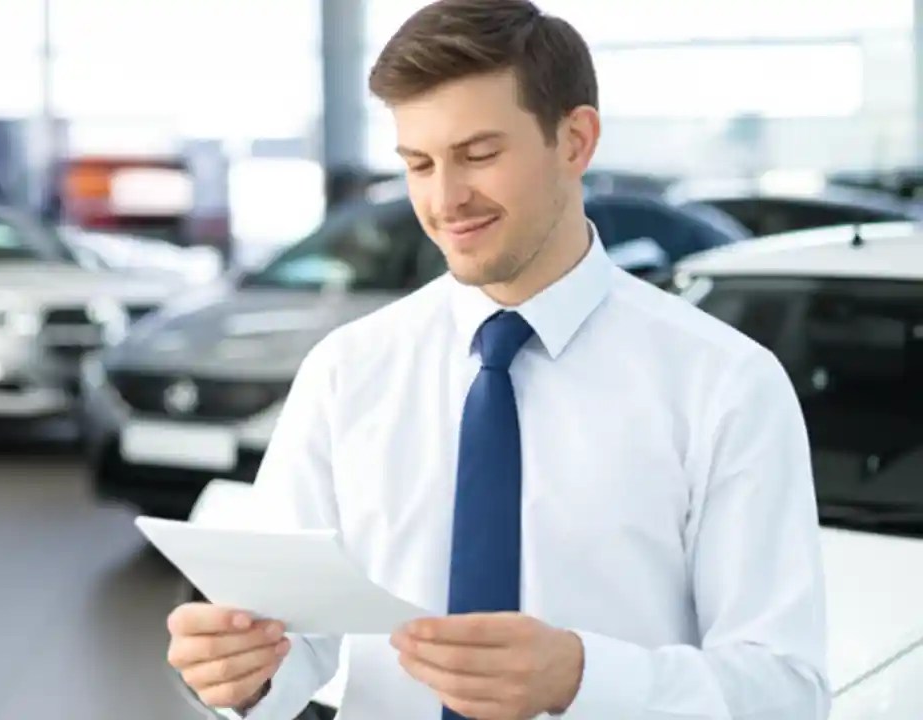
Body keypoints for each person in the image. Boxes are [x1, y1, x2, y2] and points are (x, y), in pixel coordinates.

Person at [165, 1, 830, 718]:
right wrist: (244, 673)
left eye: (478, 155)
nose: (445, 199)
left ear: (575, 140)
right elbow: (292, 642)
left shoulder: (725, 384)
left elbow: (786, 693)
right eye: (418, 164)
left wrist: (582, 679)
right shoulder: (347, 371)